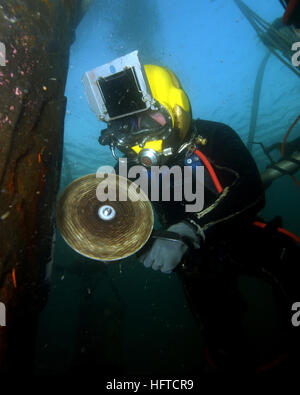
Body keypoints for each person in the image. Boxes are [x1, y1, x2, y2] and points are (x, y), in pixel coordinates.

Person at [83, 52, 300, 374]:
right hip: (194, 263)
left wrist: (191, 229)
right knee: (223, 347)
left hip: (243, 234)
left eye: (146, 118)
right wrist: (136, 243)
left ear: (175, 107)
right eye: (125, 127)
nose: (139, 134)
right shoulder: (126, 167)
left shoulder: (214, 137)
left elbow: (250, 190)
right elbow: (115, 219)